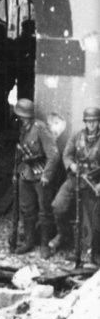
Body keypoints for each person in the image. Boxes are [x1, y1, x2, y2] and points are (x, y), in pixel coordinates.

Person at [51, 106, 100, 263]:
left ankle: (92, 253)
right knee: (58, 206)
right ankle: (63, 235)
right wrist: (71, 164)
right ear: (85, 122)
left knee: (94, 220)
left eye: (95, 121)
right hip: (75, 179)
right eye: (89, 122)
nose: (91, 125)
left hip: (93, 182)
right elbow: (67, 154)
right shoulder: (77, 136)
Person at [12, 99, 60, 257]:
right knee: (27, 209)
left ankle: (45, 244)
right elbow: (21, 153)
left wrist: (47, 175)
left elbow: (53, 155)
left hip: (41, 175)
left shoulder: (40, 128)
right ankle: (29, 241)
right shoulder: (22, 129)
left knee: (44, 210)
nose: (21, 118)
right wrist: (16, 172)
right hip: (26, 173)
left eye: (23, 116)